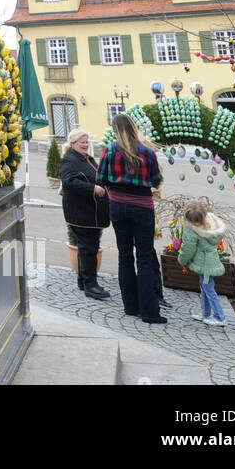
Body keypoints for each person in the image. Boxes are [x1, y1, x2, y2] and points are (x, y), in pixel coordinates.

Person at [98, 113, 168, 324]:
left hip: (118, 206)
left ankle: (130, 305)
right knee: (145, 257)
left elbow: (100, 178)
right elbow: (156, 181)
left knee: (125, 255)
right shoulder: (147, 152)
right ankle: (148, 310)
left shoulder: (110, 150)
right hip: (142, 207)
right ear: (134, 128)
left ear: (115, 130)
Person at [59, 128, 111, 300]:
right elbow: (68, 183)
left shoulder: (86, 158)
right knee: (89, 248)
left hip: (91, 213)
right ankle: (91, 285)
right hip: (82, 213)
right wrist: (93, 189)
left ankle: (83, 280)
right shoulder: (69, 160)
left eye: (87, 142)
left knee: (87, 247)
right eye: (82, 142)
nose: (85, 145)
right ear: (73, 143)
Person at [176, 199, 228, 327]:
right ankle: (205, 313)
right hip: (211, 261)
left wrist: (181, 260)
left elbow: (188, 248)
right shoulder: (211, 223)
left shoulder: (192, 230)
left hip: (204, 265)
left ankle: (220, 317)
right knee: (205, 287)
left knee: (209, 289)